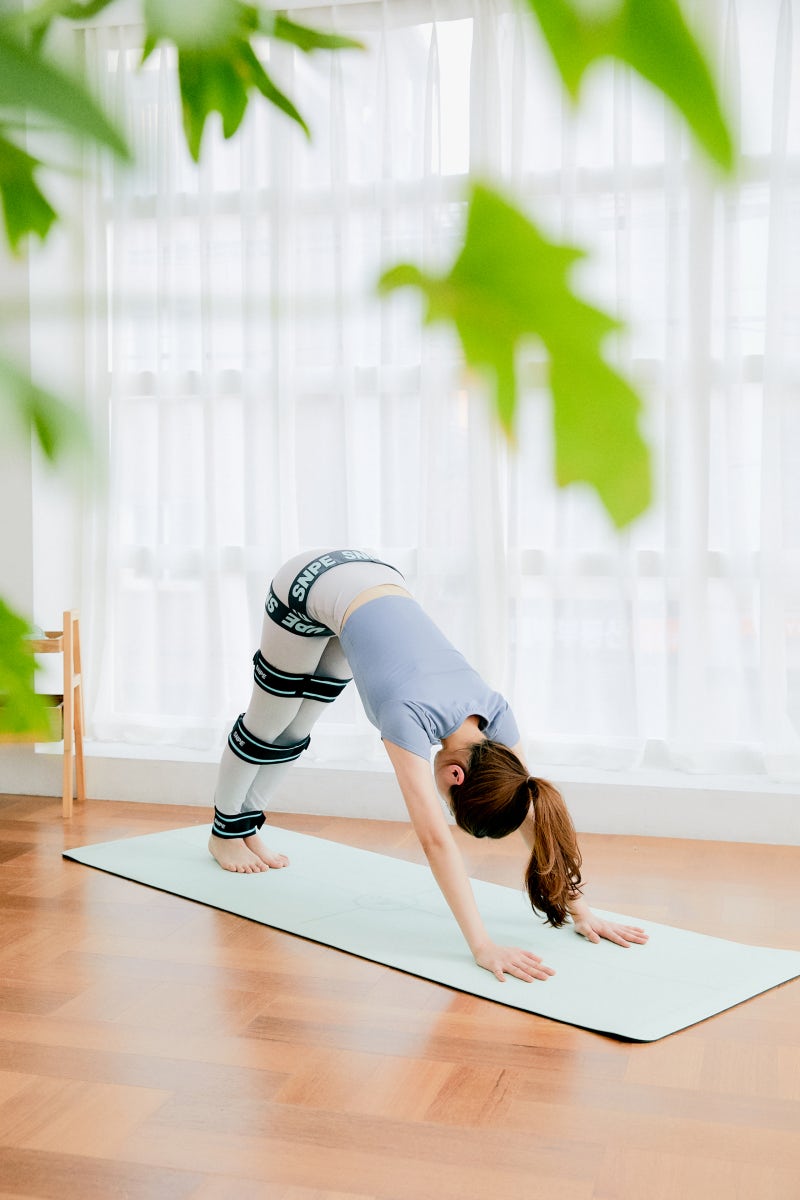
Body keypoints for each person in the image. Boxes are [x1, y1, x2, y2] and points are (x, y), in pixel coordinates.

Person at [210, 548, 648, 983]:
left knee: (296, 727)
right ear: (455, 777)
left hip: (369, 584)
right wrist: (482, 946)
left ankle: (248, 826)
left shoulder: (495, 712)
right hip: (309, 582)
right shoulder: (408, 714)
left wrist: (582, 911)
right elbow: (435, 841)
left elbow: (529, 810)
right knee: (268, 722)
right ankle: (224, 833)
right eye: (451, 803)